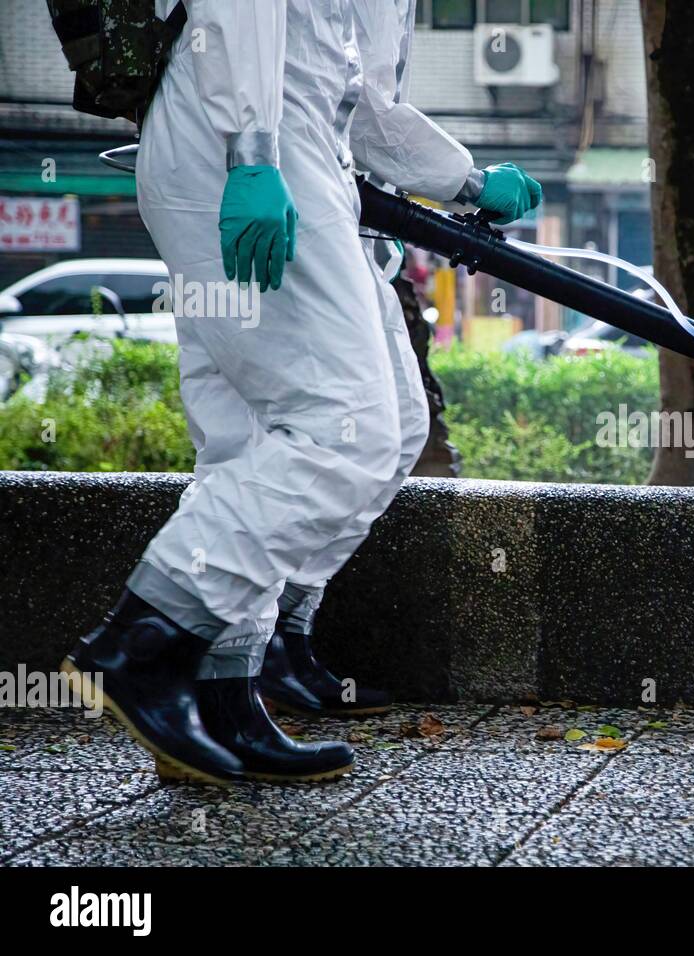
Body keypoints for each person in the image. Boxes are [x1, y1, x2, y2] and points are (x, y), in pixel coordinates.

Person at [61, 0, 542, 785]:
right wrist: (252, 154)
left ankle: (225, 691)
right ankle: (144, 642)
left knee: (349, 427)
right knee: (342, 424)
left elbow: (371, 107)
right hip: (237, 146)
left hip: (301, 151)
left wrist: (468, 181)